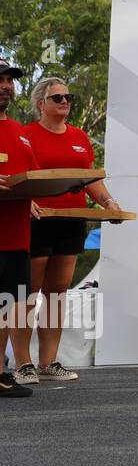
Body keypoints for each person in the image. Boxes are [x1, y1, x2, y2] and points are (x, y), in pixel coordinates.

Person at [14, 77, 122, 384]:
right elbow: (15, 176)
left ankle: (48, 362)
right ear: (41, 104)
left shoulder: (80, 136)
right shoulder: (25, 135)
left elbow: (90, 178)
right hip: (36, 221)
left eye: (68, 97)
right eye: (58, 97)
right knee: (28, 294)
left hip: (71, 221)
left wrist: (109, 203)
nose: (65, 102)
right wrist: (27, 200)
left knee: (57, 293)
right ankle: (23, 363)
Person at [0, 57, 39, 398]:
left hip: (17, 238)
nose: (5, 85)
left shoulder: (20, 133)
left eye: (9, 80)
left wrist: (35, 197)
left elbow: (31, 177)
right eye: (0, 79)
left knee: (8, 305)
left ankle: (0, 371)